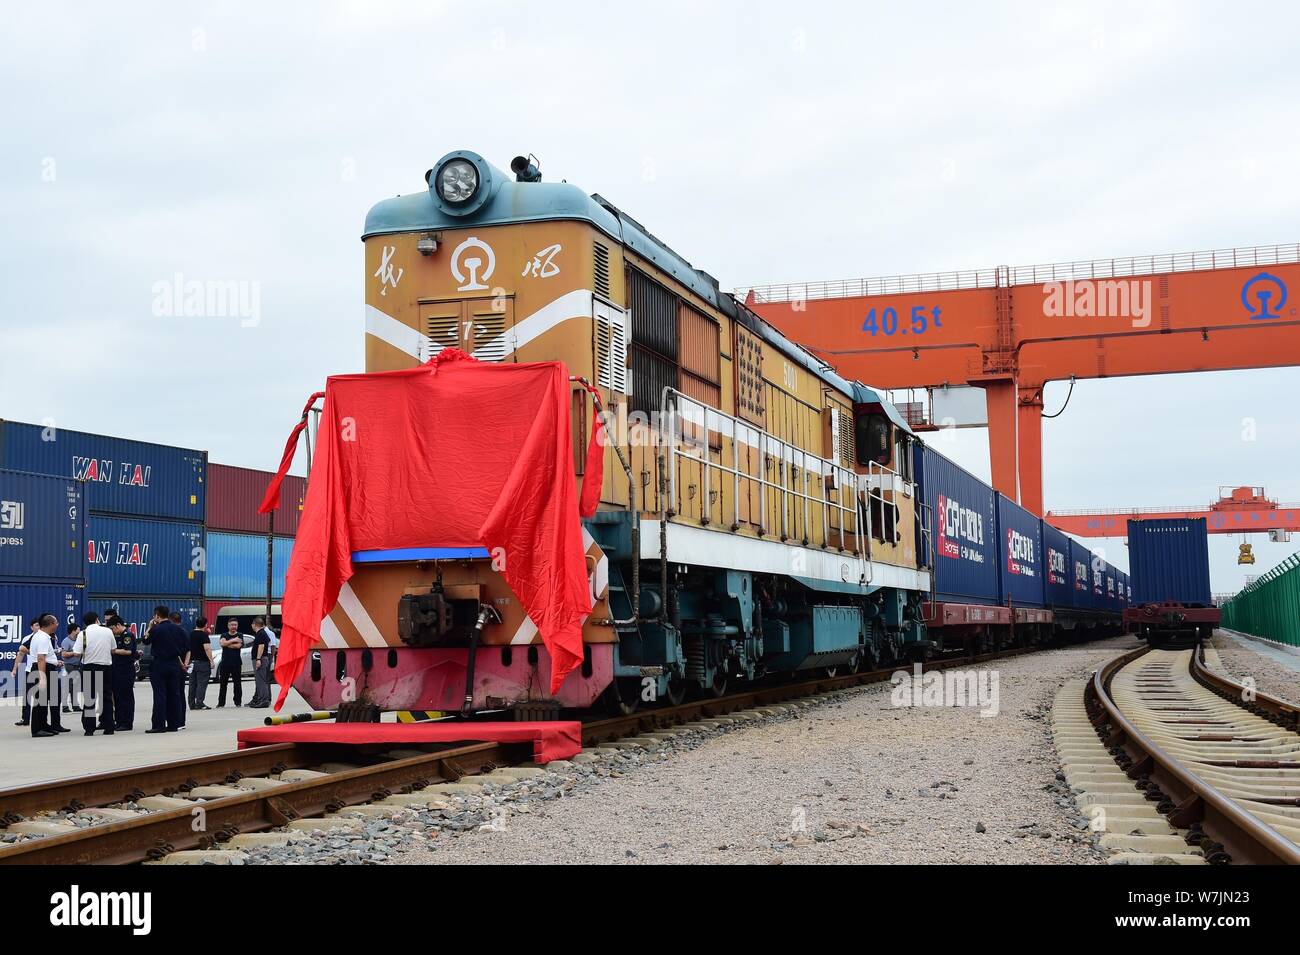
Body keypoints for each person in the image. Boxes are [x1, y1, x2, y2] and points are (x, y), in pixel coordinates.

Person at [142, 605, 187, 733]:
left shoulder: (156, 629)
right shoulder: (178, 629)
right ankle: (174, 724)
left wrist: (150, 627)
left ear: (157, 615)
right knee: (174, 694)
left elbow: (146, 641)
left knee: (160, 695)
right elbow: (184, 647)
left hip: (160, 664)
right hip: (174, 664)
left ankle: (159, 725)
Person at [75, 612, 116, 735]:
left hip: (89, 667)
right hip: (106, 667)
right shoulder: (108, 631)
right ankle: (109, 727)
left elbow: (77, 653)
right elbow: (113, 649)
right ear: (97, 620)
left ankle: (89, 728)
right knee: (106, 697)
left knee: (89, 698)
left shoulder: (83, 634)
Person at [28, 614, 69, 737]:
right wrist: (42, 677)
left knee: (44, 700)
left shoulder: (41, 636)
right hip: (42, 670)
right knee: (40, 701)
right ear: (51, 624)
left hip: (47, 667)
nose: (57, 625)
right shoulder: (43, 638)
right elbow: (41, 658)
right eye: (56, 623)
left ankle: (44, 725)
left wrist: (56, 662)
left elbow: (47, 657)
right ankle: (37, 729)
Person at [108, 616, 137, 730]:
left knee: (126, 696)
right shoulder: (118, 636)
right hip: (117, 669)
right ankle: (119, 721)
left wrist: (113, 650)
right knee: (118, 696)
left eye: (113, 628)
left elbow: (128, 651)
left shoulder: (127, 635)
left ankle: (127, 722)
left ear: (118, 625)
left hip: (125, 670)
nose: (112, 631)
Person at [11, 618, 40, 726]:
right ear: (31, 627)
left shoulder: (47, 637)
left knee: (42, 697)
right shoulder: (27, 639)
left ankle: (41, 721)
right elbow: (21, 654)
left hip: (42, 669)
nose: (38, 627)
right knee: (27, 696)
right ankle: (25, 719)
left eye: (39, 625)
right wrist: (14, 669)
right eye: (36, 625)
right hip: (30, 670)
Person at [216, 618, 246, 708]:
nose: (234, 626)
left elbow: (238, 646)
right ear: (228, 626)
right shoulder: (224, 634)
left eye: (235, 625)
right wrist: (233, 640)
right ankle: (221, 703)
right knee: (223, 684)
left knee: (237, 683)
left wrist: (227, 643)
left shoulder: (240, 635)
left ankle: (238, 702)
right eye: (232, 625)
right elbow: (222, 644)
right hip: (225, 663)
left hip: (236, 663)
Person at [187, 616, 214, 710]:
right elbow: (207, 648)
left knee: (192, 683)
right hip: (202, 662)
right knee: (202, 683)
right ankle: (199, 703)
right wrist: (211, 660)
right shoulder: (203, 635)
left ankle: (191, 703)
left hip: (192, 663)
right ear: (205, 624)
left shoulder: (190, 634)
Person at [248, 617, 272, 708]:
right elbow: (268, 642)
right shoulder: (262, 633)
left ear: (255, 624)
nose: (252, 626)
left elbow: (261, 646)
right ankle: (261, 699)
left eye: (252, 624)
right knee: (261, 680)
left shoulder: (261, 633)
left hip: (260, 659)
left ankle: (264, 700)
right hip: (262, 658)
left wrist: (258, 659)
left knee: (261, 681)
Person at [60, 622, 82, 713]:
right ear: (73, 631)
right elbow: (63, 654)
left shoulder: (78, 640)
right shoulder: (66, 641)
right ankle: (65, 707)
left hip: (77, 666)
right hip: (69, 666)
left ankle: (75, 706)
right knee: (68, 686)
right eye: (78, 630)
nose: (79, 631)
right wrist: (74, 653)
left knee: (75, 686)